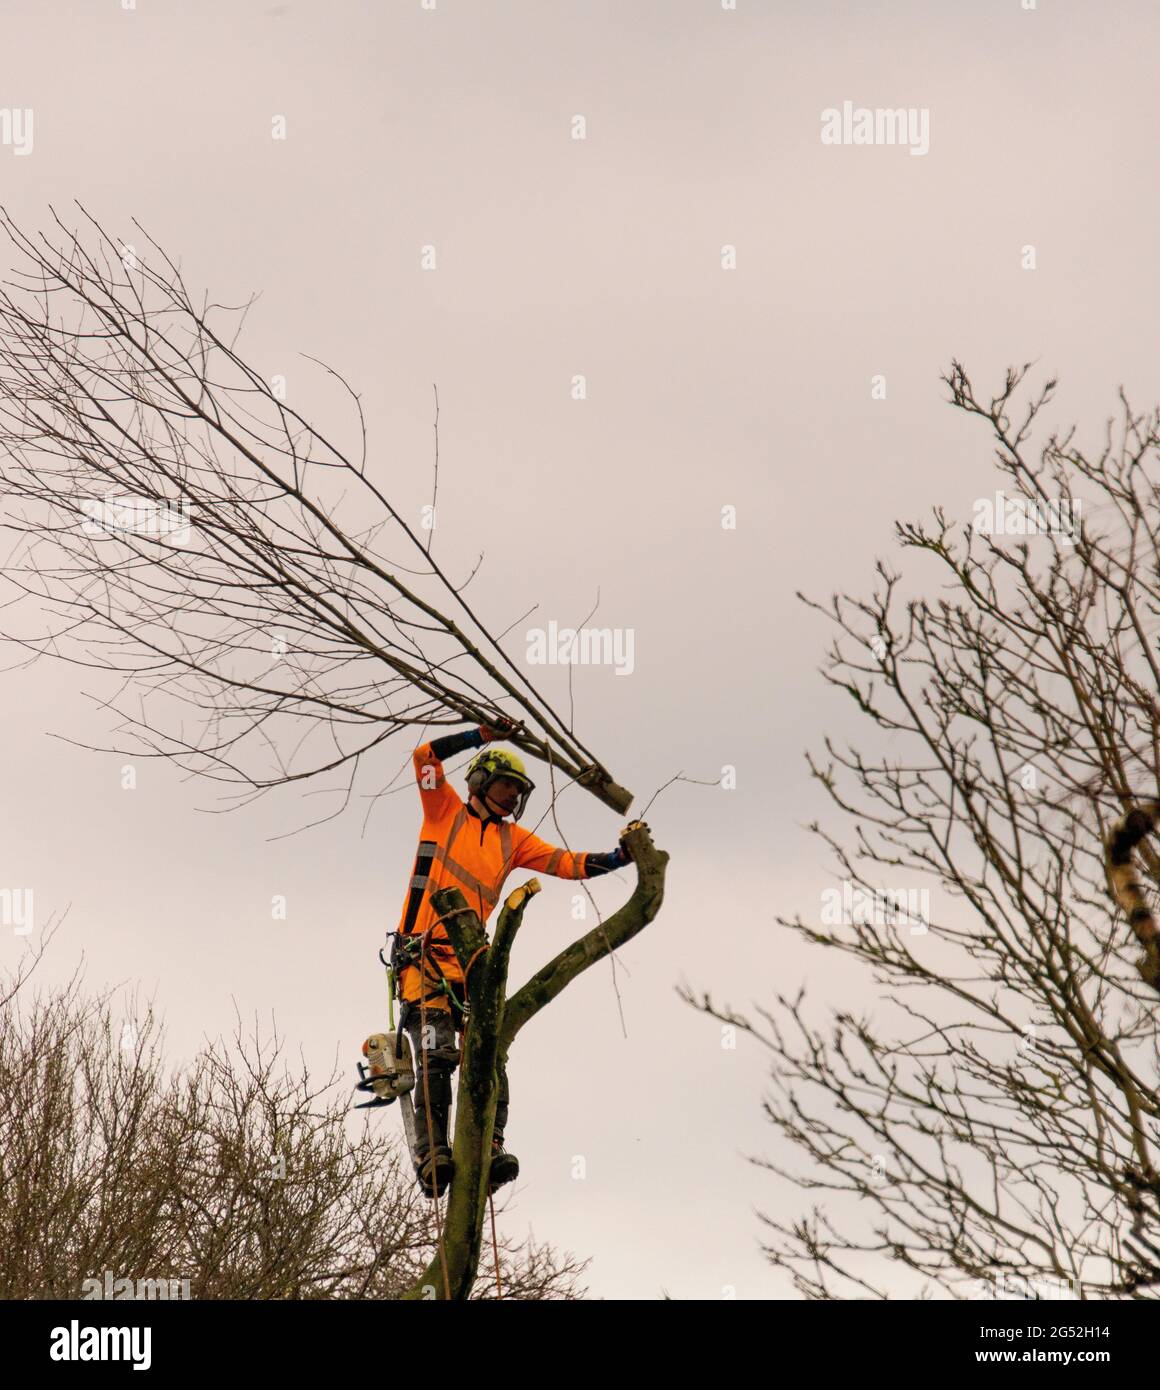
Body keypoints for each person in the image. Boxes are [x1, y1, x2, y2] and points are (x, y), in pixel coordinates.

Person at [394, 719, 636, 1198]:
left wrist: (618, 857)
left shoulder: (513, 841)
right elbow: (424, 757)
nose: (510, 799)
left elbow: (566, 863)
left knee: (490, 1056)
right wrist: (481, 734)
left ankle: (489, 1147)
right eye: (505, 788)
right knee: (436, 1053)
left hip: (471, 966)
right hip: (423, 962)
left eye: (516, 793)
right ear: (482, 782)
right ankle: (432, 1152)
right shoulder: (443, 811)